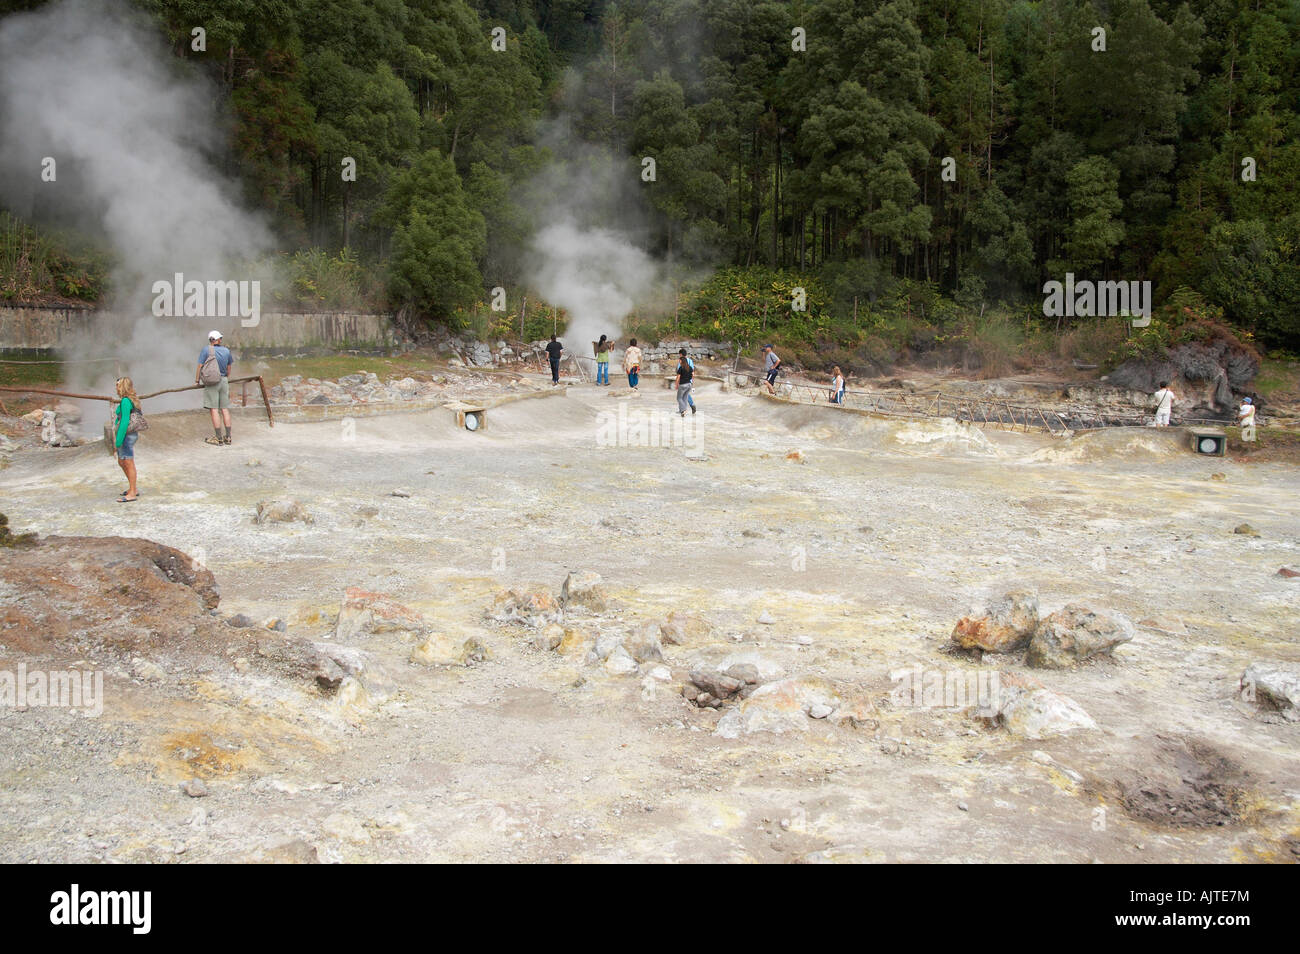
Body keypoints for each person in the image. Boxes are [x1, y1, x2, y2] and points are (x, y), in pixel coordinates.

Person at [196, 330, 234, 445]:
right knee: (224, 409)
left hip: (212, 382)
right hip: (224, 381)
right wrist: (225, 377)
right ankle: (228, 437)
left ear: (211, 340)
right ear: (218, 339)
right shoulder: (226, 351)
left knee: (214, 409)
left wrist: (197, 380)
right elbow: (229, 368)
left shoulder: (206, 350)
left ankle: (218, 438)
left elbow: (199, 366)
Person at [112, 376, 140, 502]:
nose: (116, 388)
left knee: (128, 463)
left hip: (126, 436)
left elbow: (124, 422)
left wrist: (118, 441)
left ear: (123, 386)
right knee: (122, 461)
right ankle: (132, 488)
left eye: (117, 385)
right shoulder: (128, 400)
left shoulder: (125, 401)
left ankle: (133, 492)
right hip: (129, 435)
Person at [674, 347, 695, 417]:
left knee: (680, 397)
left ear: (681, 354)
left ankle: (684, 409)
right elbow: (693, 372)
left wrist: (677, 384)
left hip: (683, 382)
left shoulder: (681, 362)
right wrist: (691, 381)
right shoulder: (690, 361)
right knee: (685, 396)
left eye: (679, 355)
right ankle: (682, 410)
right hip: (689, 382)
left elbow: (679, 375)